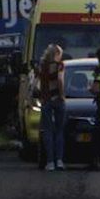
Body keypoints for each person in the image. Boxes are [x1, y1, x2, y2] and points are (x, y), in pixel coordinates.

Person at [38, 43, 66, 171]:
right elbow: (60, 80)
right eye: (60, 54)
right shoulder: (60, 65)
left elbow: (38, 83)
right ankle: (59, 160)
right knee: (59, 130)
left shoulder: (42, 66)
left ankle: (49, 162)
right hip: (57, 99)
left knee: (47, 131)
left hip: (45, 100)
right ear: (56, 54)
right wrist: (61, 95)